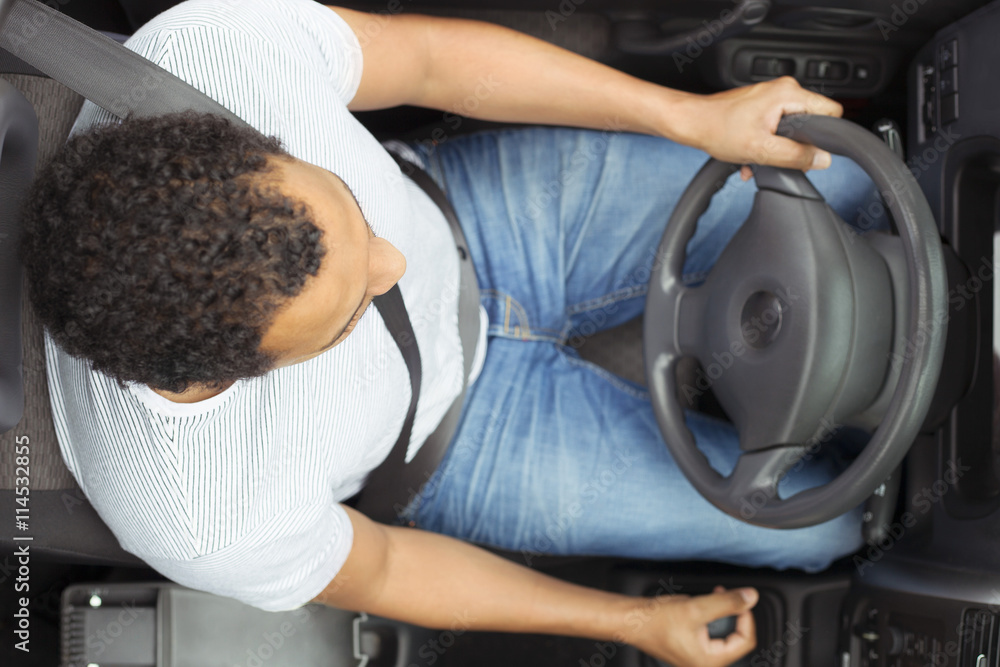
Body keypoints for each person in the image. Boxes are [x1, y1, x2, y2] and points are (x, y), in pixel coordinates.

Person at [22, 1, 879, 664]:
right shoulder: (199, 514)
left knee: (837, 180)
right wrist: (637, 622)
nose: (391, 264)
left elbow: (426, 60)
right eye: (349, 310)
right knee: (821, 525)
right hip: (456, 440)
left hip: (483, 217)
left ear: (235, 142)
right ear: (223, 378)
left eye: (351, 214)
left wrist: (688, 116)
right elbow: (389, 569)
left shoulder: (212, 54)